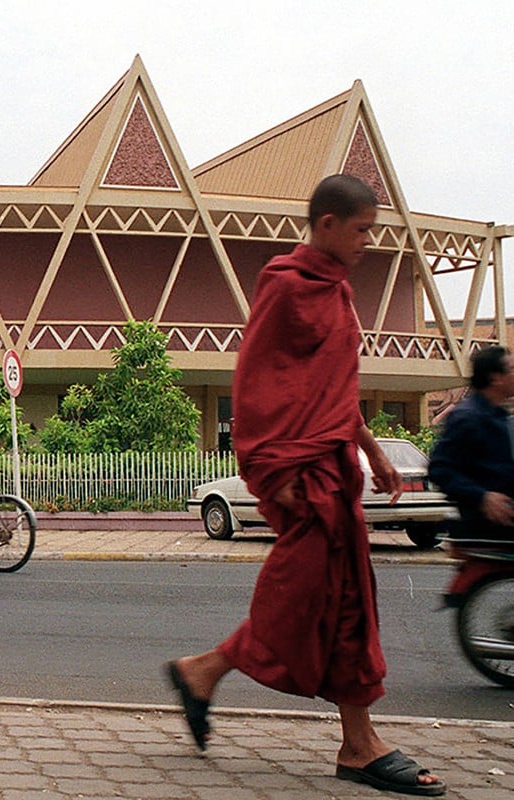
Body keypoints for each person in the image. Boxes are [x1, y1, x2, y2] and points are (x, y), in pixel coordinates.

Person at [164, 175, 445, 796]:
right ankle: (211, 674)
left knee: (344, 602)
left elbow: (335, 390)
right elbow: (257, 382)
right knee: (304, 598)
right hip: (302, 476)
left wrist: (374, 452)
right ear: (326, 224)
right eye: (363, 229)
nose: (369, 241)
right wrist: (272, 468)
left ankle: (351, 740)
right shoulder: (287, 285)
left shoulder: (339, 293)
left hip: (335, 471)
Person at [428, 345, 514, 543]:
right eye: (511, 370)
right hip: (489, 527)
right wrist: (482, 497)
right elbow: (440, 469)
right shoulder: (468, 417)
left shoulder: (500, 417)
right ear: (495, 378)